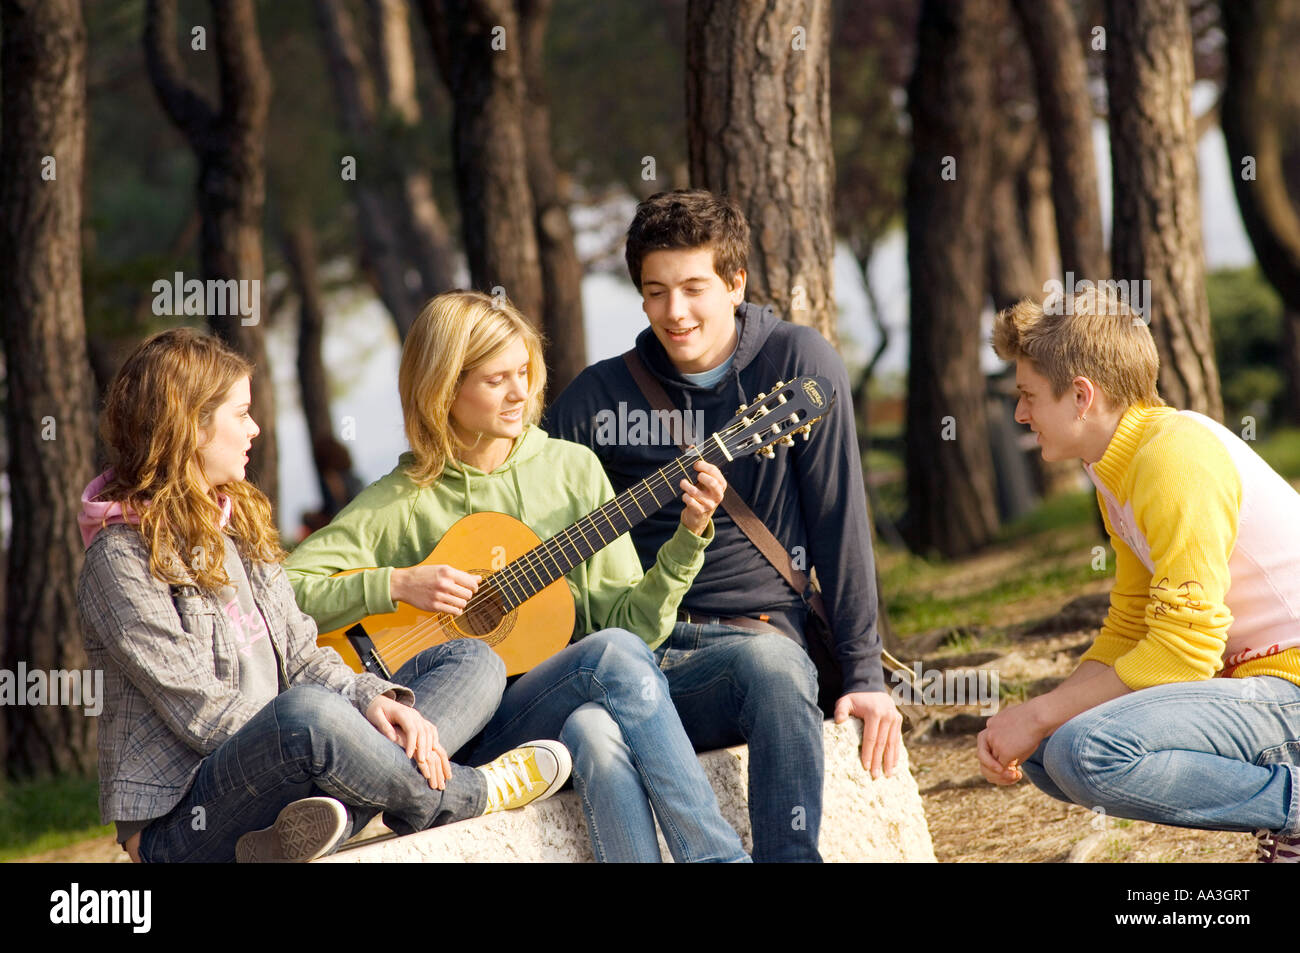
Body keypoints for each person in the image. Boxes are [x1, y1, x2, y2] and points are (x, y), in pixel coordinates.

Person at [286, 290, 749, 863]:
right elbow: (284, 592)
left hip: (547, 715)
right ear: (443, 389)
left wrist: (687, 540)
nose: (520, 393)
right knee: (607, 662)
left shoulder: (571, 469)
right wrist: (396, 584)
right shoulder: (404, 499)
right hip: (457, 737)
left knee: (597, 729)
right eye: (496, 379)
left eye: (525, 372)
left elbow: (631, 630)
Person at [78, 328, 570, 864]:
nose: (255, 428)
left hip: (294, 769)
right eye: (241, 414)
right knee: (307, 712)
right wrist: (334, 731)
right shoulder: (119, 558)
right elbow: (202, 713)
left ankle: (330, 816)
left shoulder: (237, 522)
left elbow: (303, 658)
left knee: (473, 659)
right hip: (185, 822)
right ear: (191, 426)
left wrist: (370, 701)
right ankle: (472, 792)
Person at [543, 189, 903, 862]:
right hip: (631, 648)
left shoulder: (796, 364)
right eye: (656, 292)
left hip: (751, 642)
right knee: (593, 726)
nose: (674, 312)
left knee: (774, 668)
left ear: (736, 283)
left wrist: (864, 675)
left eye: (693, 288)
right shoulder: (597, 398)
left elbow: (841, 526)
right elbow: (527, 514)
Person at [979, 288, 1300, 863]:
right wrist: (1037, 716)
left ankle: (1294, 808)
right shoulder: (1117, 467)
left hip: (1290, 683)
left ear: (1082, 396)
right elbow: (1132, 625)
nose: (1021, 414)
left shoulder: (1173, 457)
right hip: (1259, 685)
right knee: (1046, 748)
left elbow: (1183, 652)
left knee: (1084, 749)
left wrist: (1039, 712)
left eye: (1028, 396)